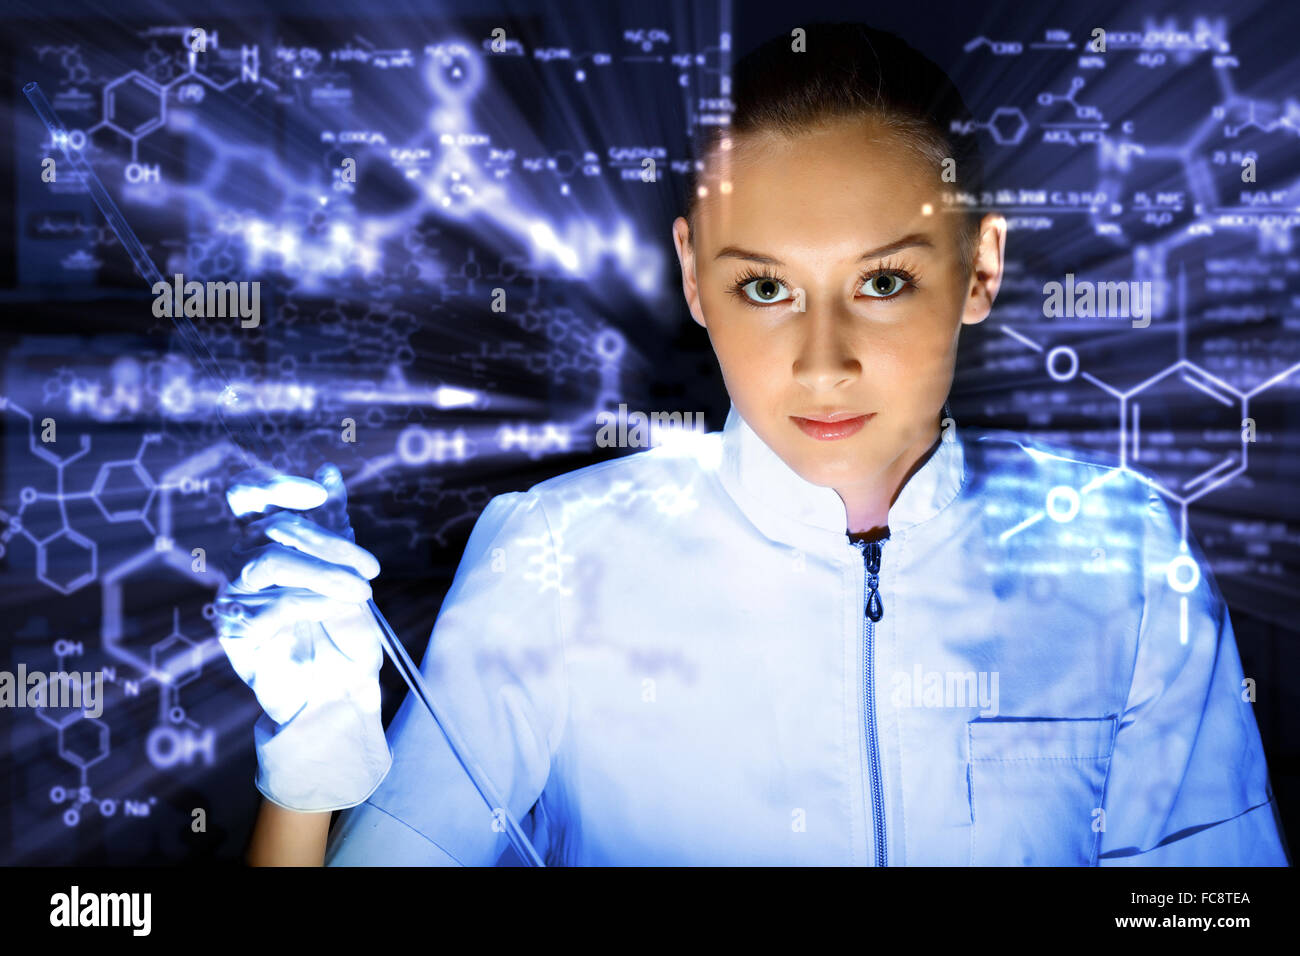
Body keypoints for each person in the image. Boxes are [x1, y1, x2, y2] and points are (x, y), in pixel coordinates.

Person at [217, 22, 1290, 866]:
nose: (822, 361)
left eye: (882, 280)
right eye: (765, 286)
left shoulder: (1124, 558)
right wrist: (305, 775)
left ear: (980, 266)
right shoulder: (553, 555)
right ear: (694, 272)